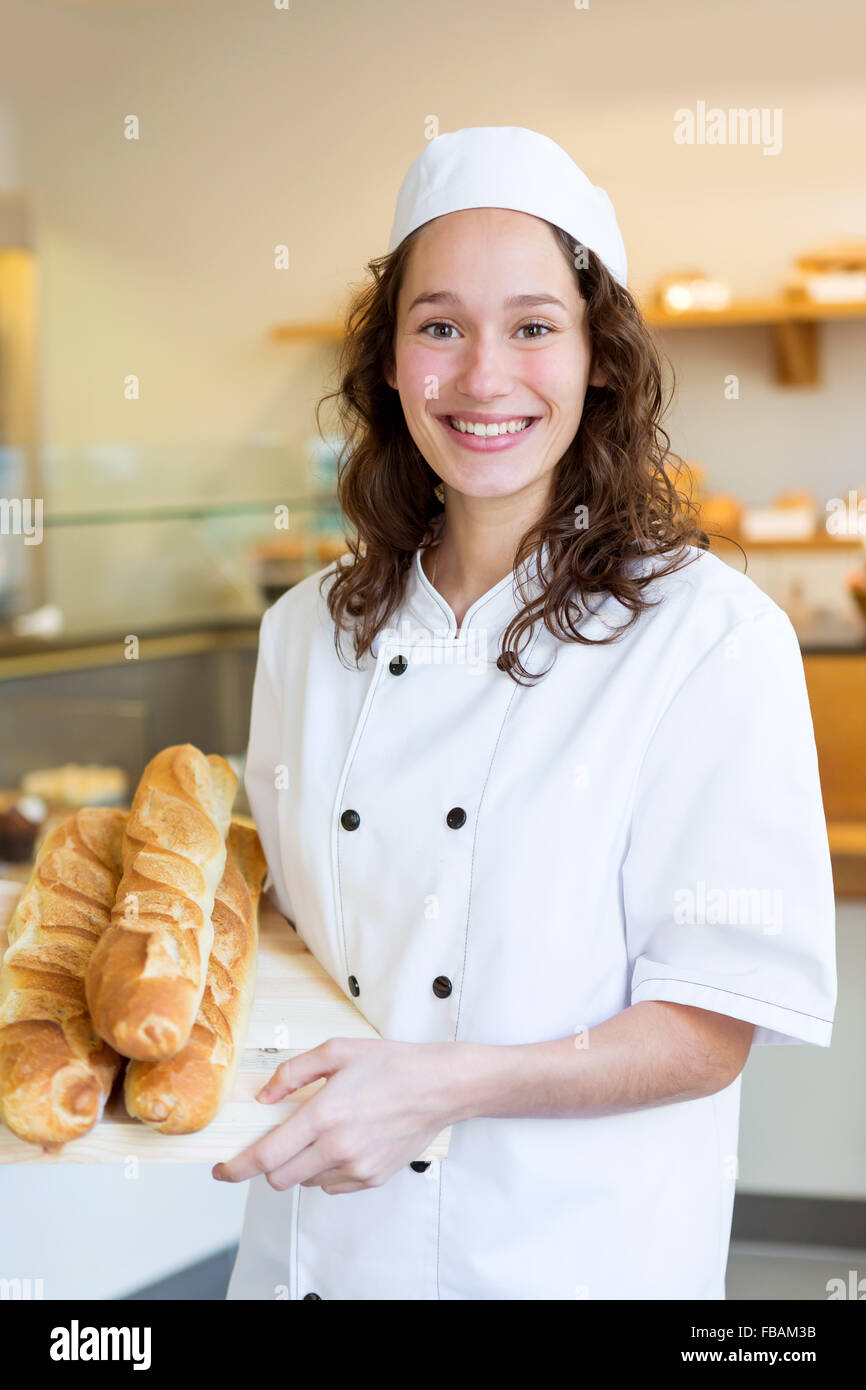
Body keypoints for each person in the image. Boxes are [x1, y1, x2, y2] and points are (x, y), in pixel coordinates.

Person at [218, 126, 837, 1300]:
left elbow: (708, 1026)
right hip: (314, 1245)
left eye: (533, 327)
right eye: (439, 325)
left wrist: (436, 1083)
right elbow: (294, 934)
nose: (482, 378)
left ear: (598, 357)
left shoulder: (706, 640)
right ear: (388, 362)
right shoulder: (304, 631)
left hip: (561, 1255)